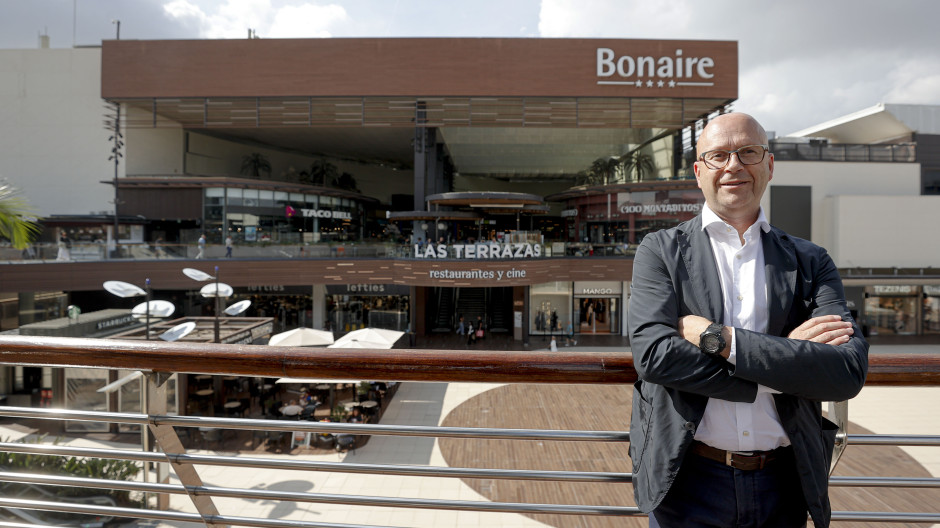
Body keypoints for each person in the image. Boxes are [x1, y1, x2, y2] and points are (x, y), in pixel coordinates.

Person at [628, 113, 869, 528]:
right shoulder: (661, 251)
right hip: (686, 482)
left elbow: (846, 372)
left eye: (748, 152)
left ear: (769, 165)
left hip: (785, 484)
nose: (733, 165)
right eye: (718, 155)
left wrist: (718, 339)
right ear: (699, 171)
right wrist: (787, 361)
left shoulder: (811, 261)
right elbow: (655, 356)